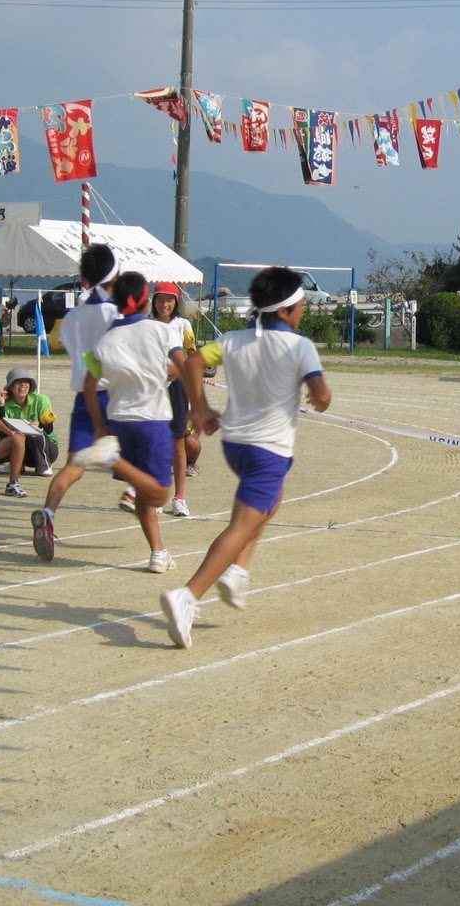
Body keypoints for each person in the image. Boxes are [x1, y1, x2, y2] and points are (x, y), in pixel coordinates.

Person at [161, 267, 332, 648]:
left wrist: (201, 407)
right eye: (301, 304)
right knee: (240, 526)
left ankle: (238, 570)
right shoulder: (300, 346)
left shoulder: (233, 339)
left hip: (235, 445)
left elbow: (191, 363)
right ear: (287, 310)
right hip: (267, 449)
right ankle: (187, 596)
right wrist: (319, 398)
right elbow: (322, 395)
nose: (303, 309)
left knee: (273, 501)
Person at [77, 270, 186, 573]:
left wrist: (99, 426)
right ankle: (113, 459)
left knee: (141, 493)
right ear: (143, 299)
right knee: (161, 493)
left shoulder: (108, 337)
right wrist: (199, 407)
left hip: (119, 421)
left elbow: (89, 384)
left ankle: (158, 552)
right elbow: (184, 366)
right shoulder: (161, 330)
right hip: (152, 420)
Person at [31, 244, 120, 563]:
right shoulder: (115, 313)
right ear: (115, 275)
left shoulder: (74, 316)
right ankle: (135, 493)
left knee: (74, 467)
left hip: (84, 396)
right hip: (114, 395)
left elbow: (66, 346)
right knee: (147, 447)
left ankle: (48, 513)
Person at [151, 282, 201, 516]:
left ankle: (179, 498)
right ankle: (157, 494)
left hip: (177, 388)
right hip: (153, 388)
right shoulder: (146, 324)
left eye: (169, 300)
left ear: (176, 302)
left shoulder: (184, 325)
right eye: (160, 299)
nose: (165, 304)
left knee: (177, 443)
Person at [0, 367, 59, 475]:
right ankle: (16, 464)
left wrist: (39, 425)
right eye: (18, 382)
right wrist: (1, 405)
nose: (23, 385)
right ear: (11, 387)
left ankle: (44, 465)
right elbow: (1, 432)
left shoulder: (41, 400)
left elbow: (49, 428)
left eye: (26, 382)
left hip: (48, 449)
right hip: (24, 451)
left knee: (34, 433)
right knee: (12, 437)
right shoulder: (4, 404)